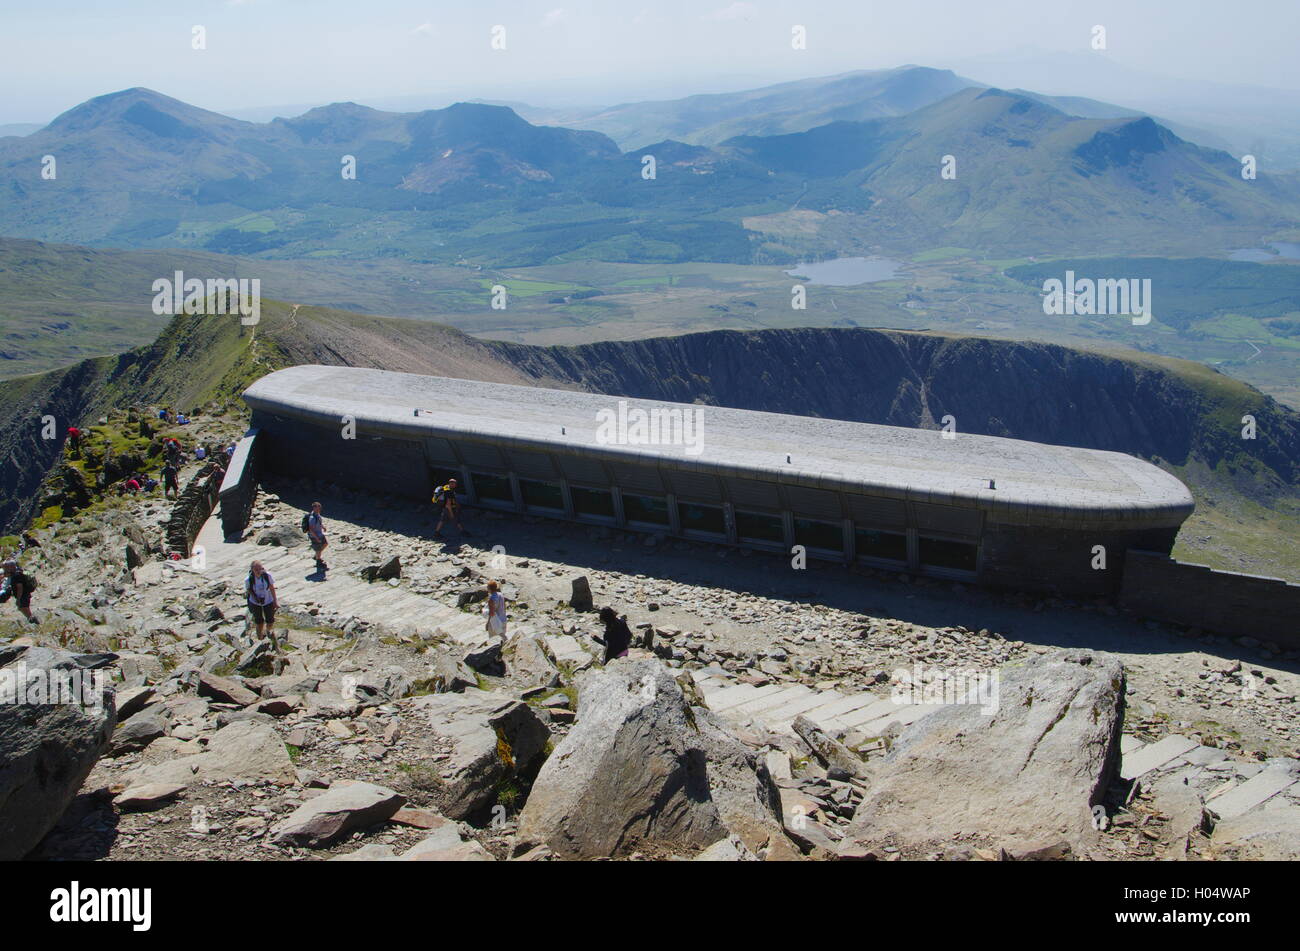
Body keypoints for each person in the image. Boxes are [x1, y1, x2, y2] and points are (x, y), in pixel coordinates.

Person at [245, 560, 278, 643]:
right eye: (256, 569)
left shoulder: (267, 576)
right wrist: (255, 598)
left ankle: (268, 632)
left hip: (268, 600)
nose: (259, 571)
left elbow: (272, 588)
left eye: (261, 569)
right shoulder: (249, 579)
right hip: (255, 602)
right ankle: (260, 638)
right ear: (252, 570)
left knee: (270, 620)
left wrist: (275, 601)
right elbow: (249, 590)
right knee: (259, 621)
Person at [306, 501, 328, 570]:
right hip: (315, 536)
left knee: (325, 544)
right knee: (318, 549)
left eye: (320, 508)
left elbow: (319, 522)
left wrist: (323, 527)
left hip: (320, 534)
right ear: (314, 508)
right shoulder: (312, 517)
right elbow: (311, 530)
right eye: (318, 508)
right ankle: (318, 563)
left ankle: (316, 556)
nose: (319, 509)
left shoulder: (317, 514)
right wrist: (316, 538)